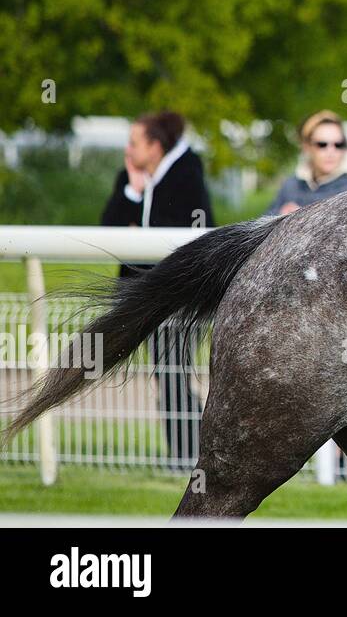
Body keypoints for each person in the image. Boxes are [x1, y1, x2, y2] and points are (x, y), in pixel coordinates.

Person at [100, 110, 213, 470]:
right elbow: (108, 228)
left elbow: (196, 226)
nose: (128, 150)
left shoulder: (187, 174)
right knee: (167, 375)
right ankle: (190, 453)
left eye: (135, 143)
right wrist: (133, 192)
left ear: (155, 145)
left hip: (181, 293)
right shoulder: (129, 177)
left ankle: (187, 456)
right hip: (144, 294)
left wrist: (141, 230)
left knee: (172, 373)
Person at [265, 110, 347, 216]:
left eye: (338, 144)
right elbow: (261, 227)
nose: (331, 151)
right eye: (322, 144)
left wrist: (301, 219)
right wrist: (280, 215)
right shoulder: (290, 186)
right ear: (306, 147)